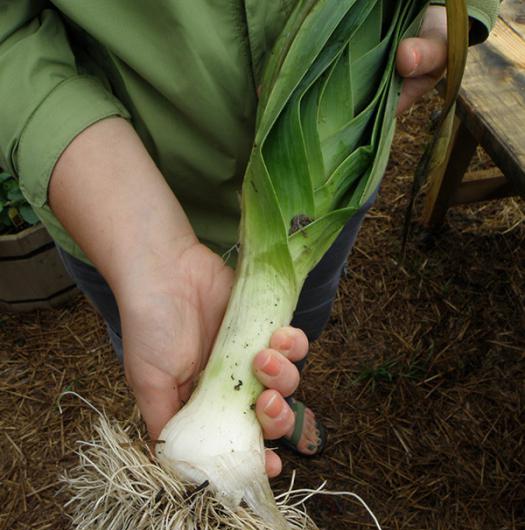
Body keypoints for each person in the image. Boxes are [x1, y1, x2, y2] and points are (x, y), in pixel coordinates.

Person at [0, 1, 499, 477]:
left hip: (328, 192)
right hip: (109, 207)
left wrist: (446, 11)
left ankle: (266, 402)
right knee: (145, 333)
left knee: (298, 329)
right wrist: (142, 249)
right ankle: (216, 405)